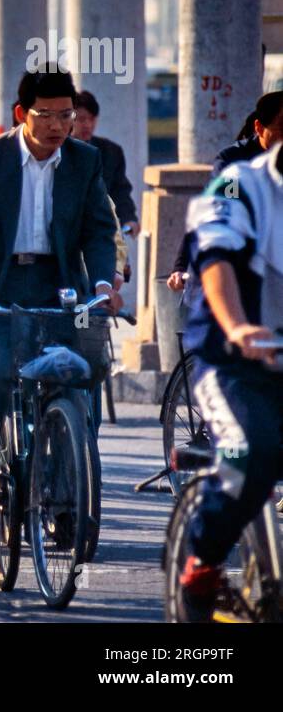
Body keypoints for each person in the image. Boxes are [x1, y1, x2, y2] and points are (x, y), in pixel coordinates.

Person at [0, 69, 121, 514]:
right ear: (23, 114)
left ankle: (69, 486)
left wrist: (103, 283)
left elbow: (100, 232)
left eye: (67, 115)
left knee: (84, 371)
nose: (59, 126)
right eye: (47, 115)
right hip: (0, 289)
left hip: (61, 288)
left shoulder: (85, 161)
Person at [171, 139, 283, 621]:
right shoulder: (239, 186)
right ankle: (204, 562)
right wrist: (238, 327)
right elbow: (216, 262)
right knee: (248, 455)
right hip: (235, 363)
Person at [168, 91, 283, 292]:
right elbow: (221, 213)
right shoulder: (233, 164)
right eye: (281, 128)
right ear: (259, 127)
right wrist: (180, 266)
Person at [72, 90, 139, 236]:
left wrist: (129, 219)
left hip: (101, 233)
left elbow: (120, 191)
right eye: (82, 119)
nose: (88, 125)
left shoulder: (111, 152)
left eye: (92, 119)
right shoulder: (56, 151)